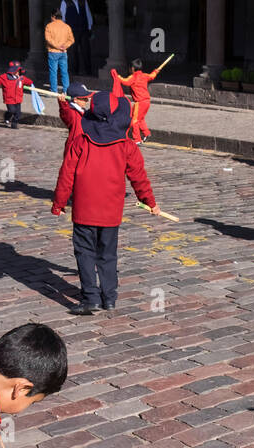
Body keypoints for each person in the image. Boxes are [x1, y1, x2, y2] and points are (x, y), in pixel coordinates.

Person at [51, 89, 160, 314]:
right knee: (108, 254)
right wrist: (149, 201)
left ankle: (90, 297)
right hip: (111, 211)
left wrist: (59, 203)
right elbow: (138, 176)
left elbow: (66, 174)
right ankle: (109, 297)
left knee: (84, 253)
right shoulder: (127, 145)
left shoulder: (81, 140)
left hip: (84, 209)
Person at [111, 58, 164, 142]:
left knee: (134, 120)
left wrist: (117, 76)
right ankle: (146, 133)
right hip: (147, 101)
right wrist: (156, 71)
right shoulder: (145, 75)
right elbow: (152, 76)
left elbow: (125, 81)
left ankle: (137, 139)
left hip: (140, 102)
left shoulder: (133, 77)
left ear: (132, 68)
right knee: (140, 118)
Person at [0, 60, 27, 129]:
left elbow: (28, 81)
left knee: (18, 113)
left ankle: (14, 124)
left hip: (18, 98)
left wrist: (32, 84)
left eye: (19, 71)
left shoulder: (21, 78)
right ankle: (7, 116)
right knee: (12, 111)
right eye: (17, 71)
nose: (18, 72)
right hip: (9, 98)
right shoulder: (4, 77)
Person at [60, 0, 95, 75]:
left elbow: (88, 15)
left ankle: (88, 71)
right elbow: (62, 18)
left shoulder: (83, 1)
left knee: (86, 51)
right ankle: (75, 72)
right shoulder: (65, 2)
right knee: (73, 52)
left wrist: (89, 28)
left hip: (83, 30)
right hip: (72, 32)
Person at [45, 11, 74, 95]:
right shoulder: (66, 26)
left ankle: (54, 91)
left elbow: (48, 39)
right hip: (63, 52)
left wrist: (57, 46)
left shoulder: (49, 26)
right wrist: (65, 46)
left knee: (53, 72)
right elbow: (71, 39)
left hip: (53, 51)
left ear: (53, 16)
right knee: (64, 72)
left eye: (51, 16)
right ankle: (66, 91)